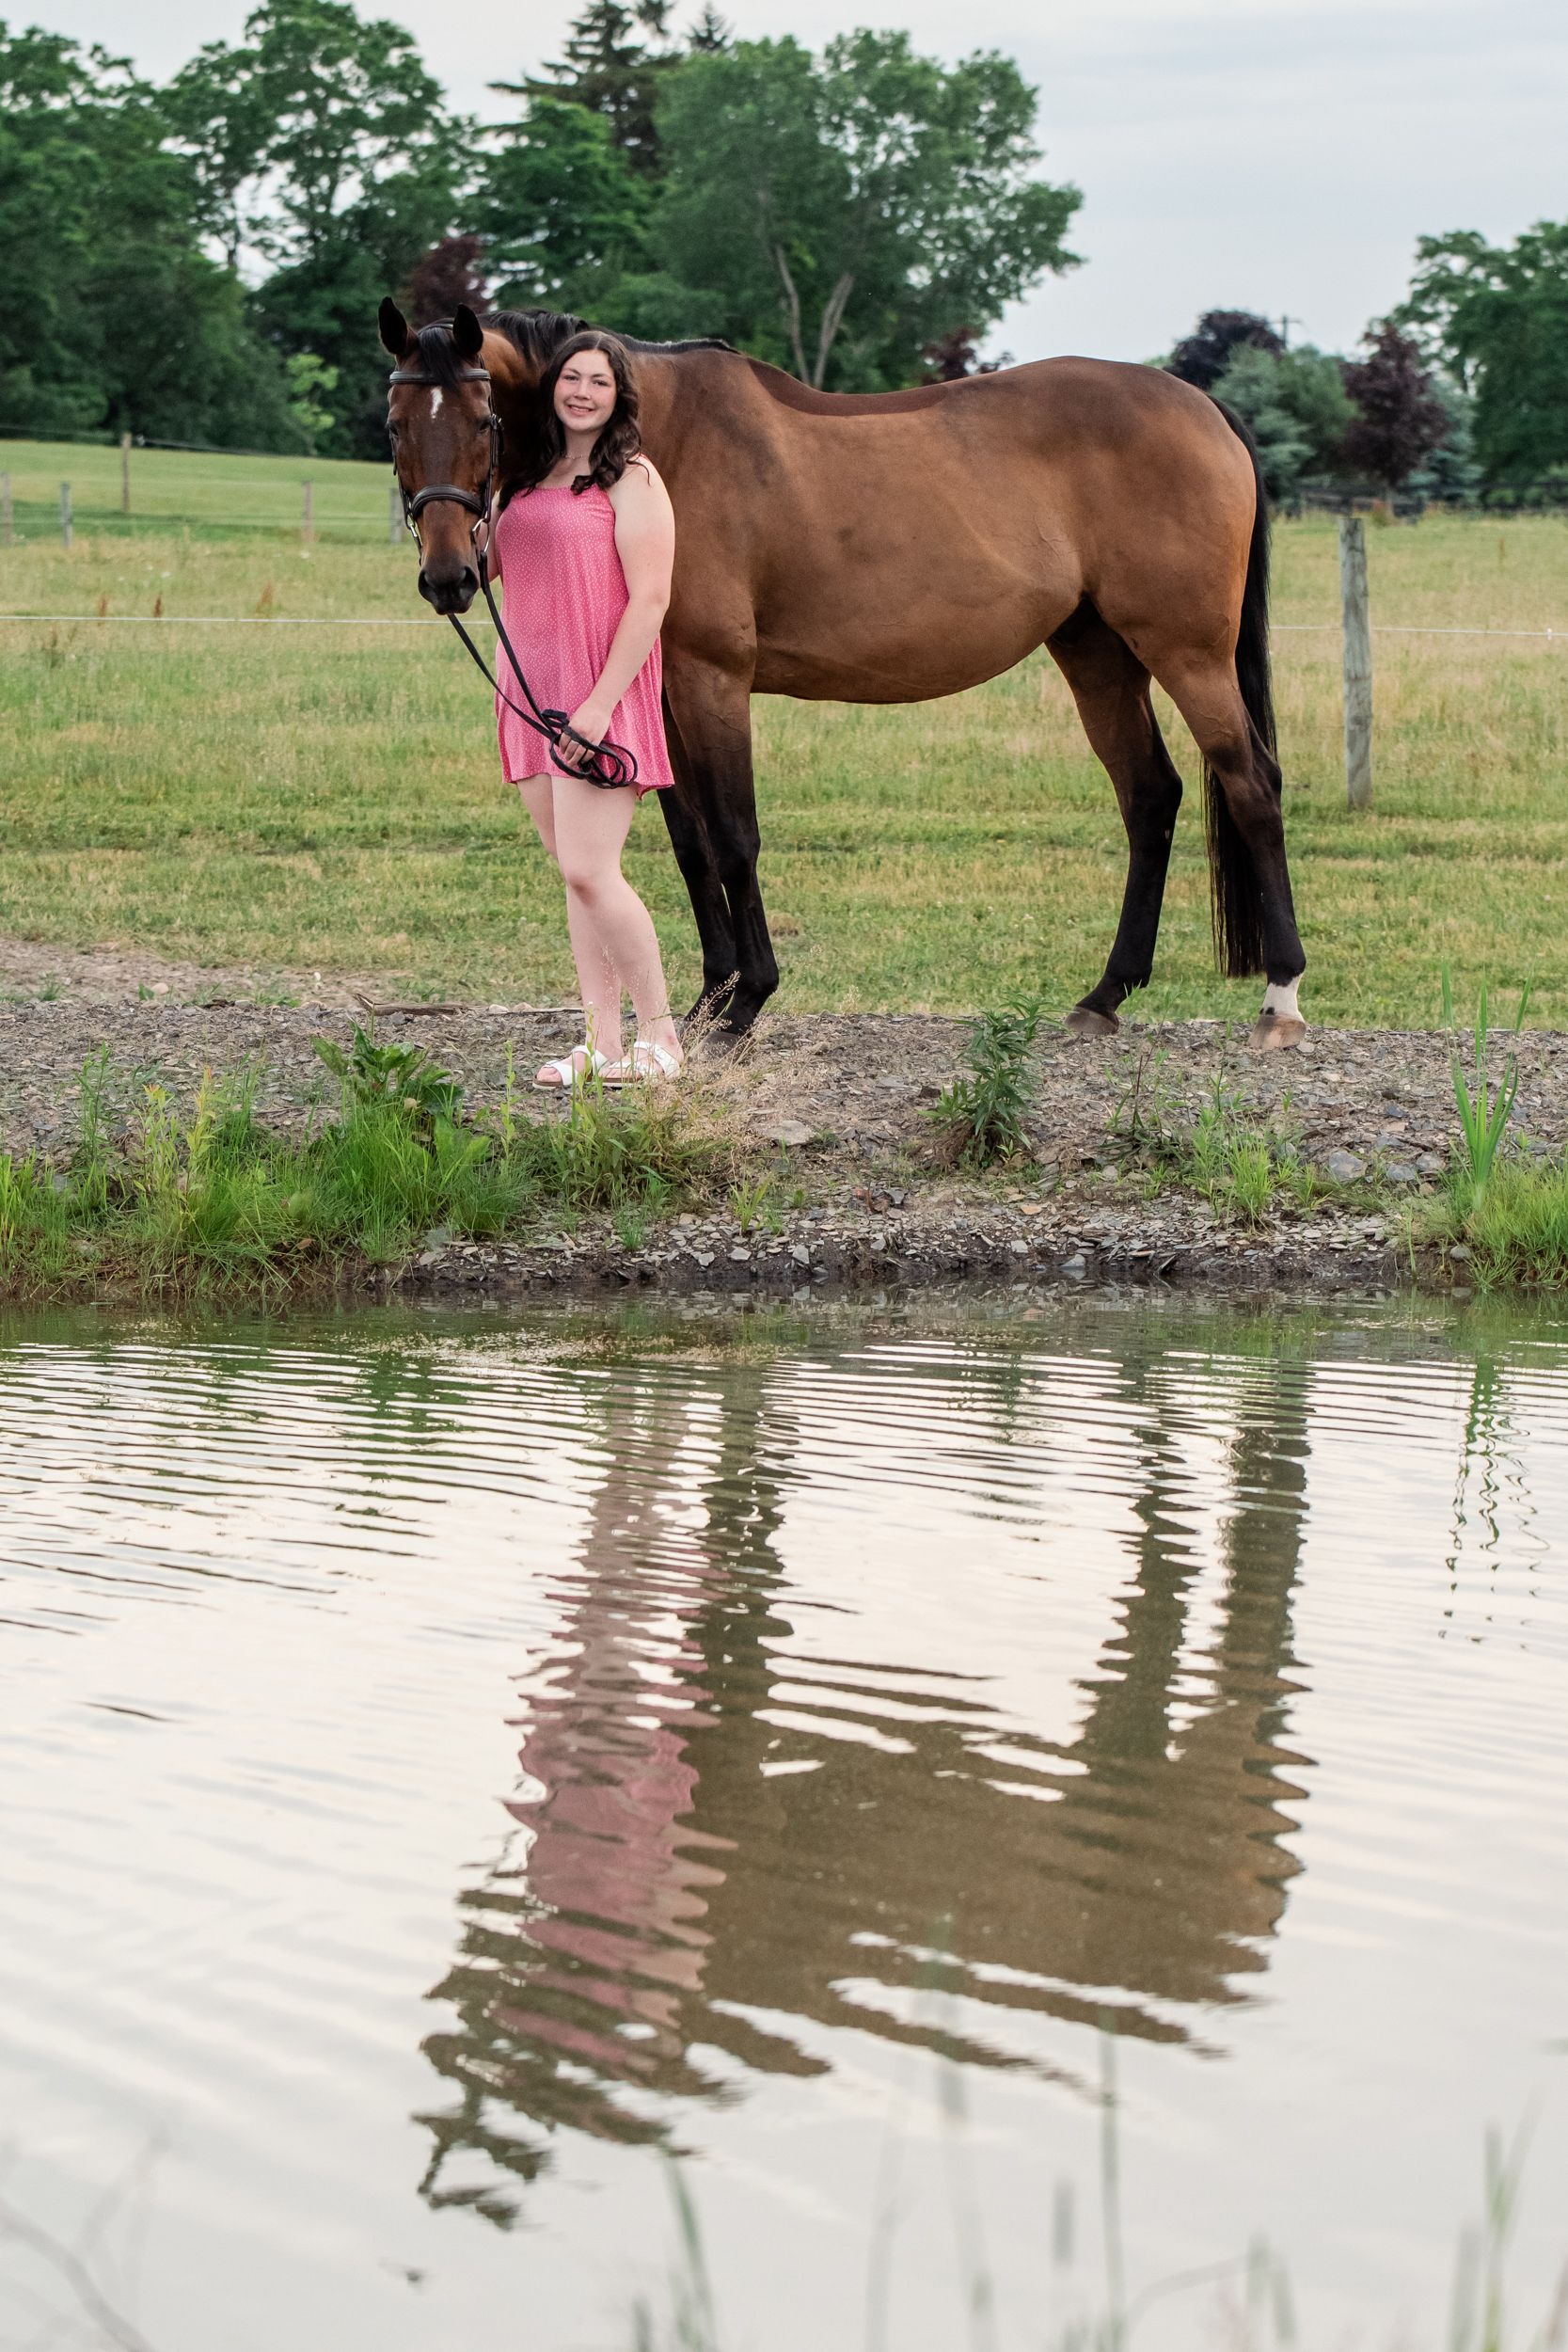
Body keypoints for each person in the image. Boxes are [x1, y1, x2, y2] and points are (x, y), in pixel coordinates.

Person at [486, 330, 684, 1089]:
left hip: (597, 695)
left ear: (617, 395)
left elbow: (652, 598)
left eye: (598, 382)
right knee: (575, 877)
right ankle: (602, 1042)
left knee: (591, 869)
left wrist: (600, 705)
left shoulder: (631, 478)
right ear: (552, 388)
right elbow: (489, 568)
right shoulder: (526, 475)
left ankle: (662, 1039)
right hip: (527, 689)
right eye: (571, 377)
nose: (581, 392)